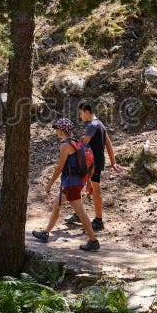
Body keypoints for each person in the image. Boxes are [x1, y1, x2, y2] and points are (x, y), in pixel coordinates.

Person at [32, 118, 100, 251]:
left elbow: (59, 167)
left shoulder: (65, 145)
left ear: (62, 130)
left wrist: (49, 185)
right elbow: (83, 164)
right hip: (76, 182)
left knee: (81, 213)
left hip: (72, 185)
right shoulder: (75, 142)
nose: (55, 130)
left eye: (56, 128)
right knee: (56, 204)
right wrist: (88, 182)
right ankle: (45, 233)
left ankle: (93, 240)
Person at [66, 102, 123, 230]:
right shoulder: (101, 125)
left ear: (86, 112)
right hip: (94, 163)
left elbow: (81, 145)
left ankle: (98, 220)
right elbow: (108, 144)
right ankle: (79, 214)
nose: (80, 117)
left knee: (95, 191)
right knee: (79, 186)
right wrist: (113, 162)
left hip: (92, 164)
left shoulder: (92, 126)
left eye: (81, 114)